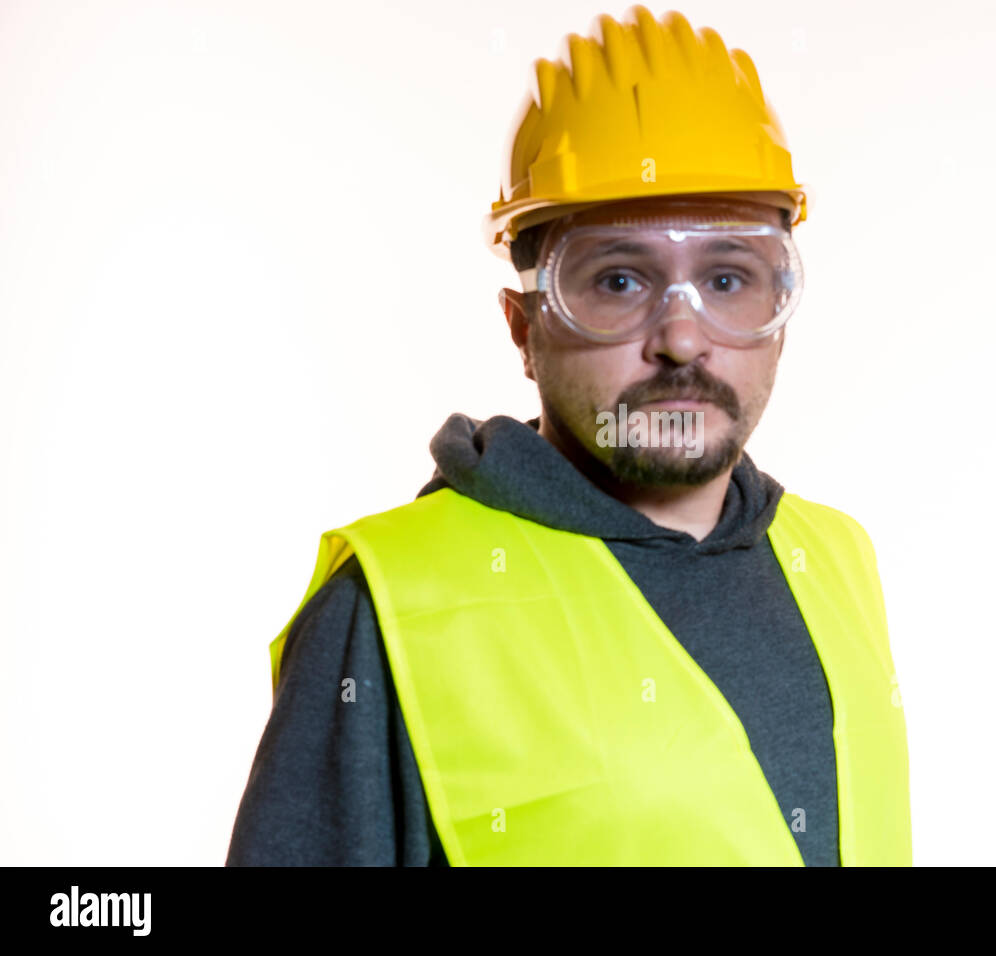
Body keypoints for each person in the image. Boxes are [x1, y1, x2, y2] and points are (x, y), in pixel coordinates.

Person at [226, 4, 910, 867]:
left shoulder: (837, 559)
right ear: (523, 325)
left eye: (729, 278)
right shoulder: (394, 607)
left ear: (779, 312)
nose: (683, 336)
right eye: (619, 279)